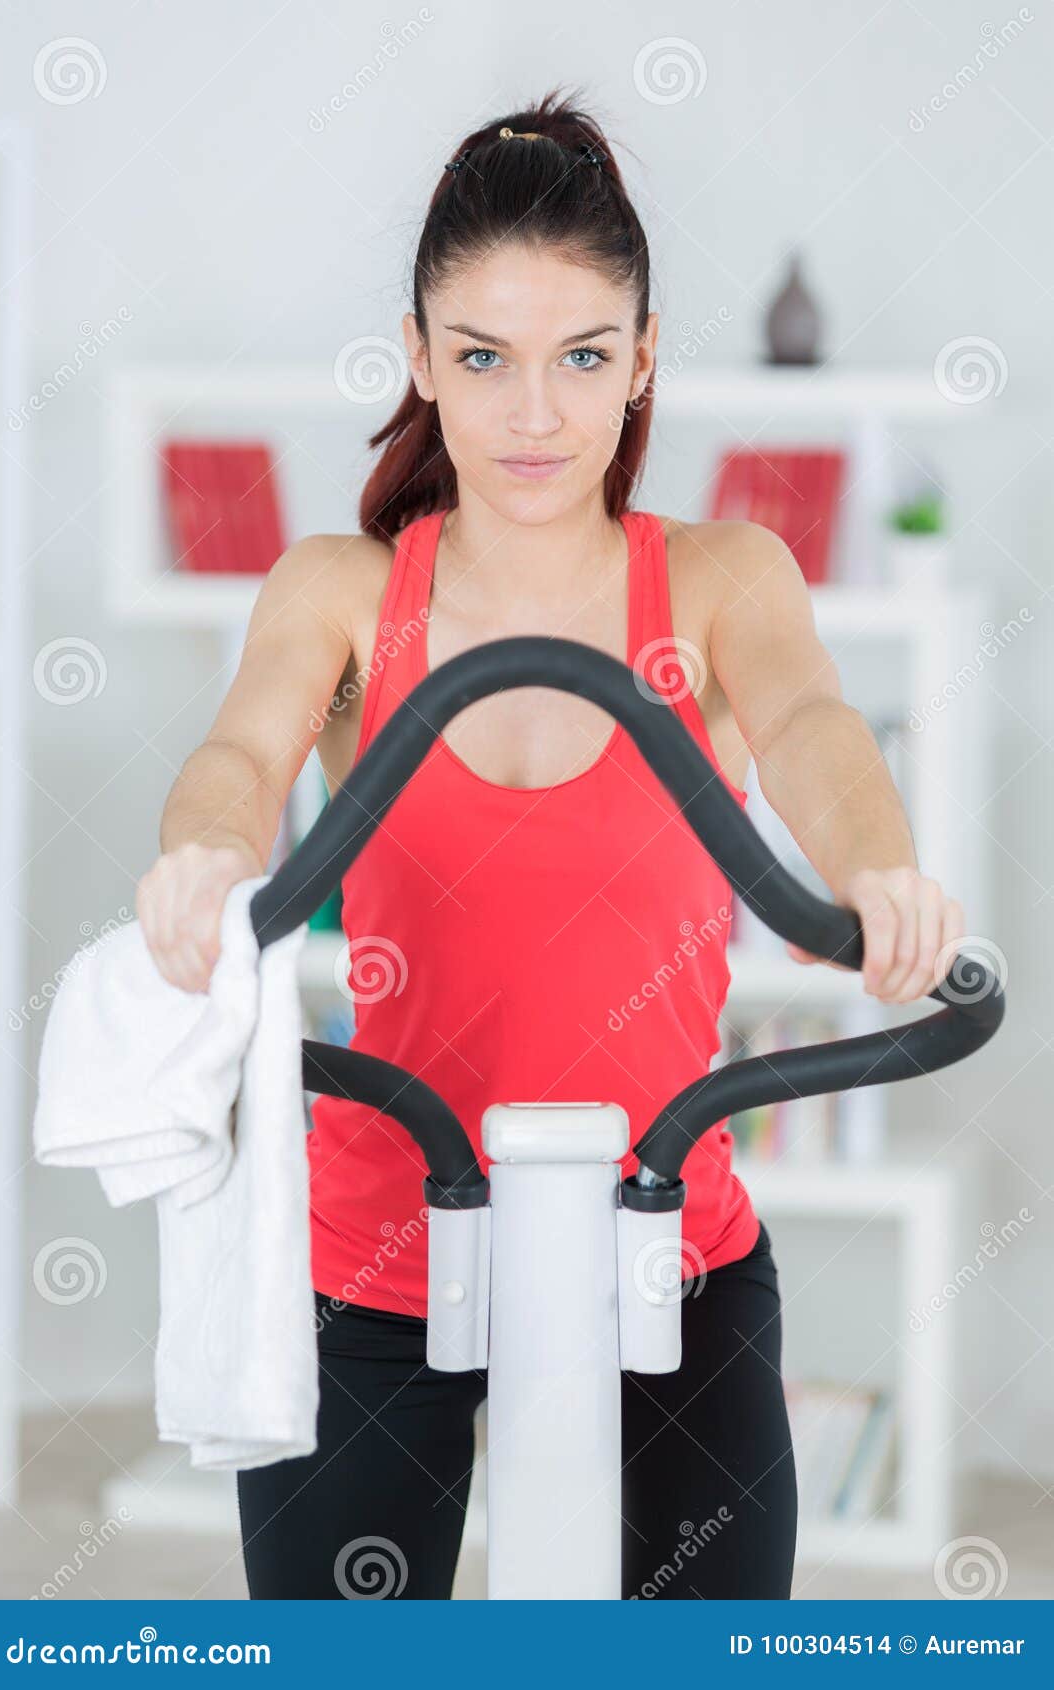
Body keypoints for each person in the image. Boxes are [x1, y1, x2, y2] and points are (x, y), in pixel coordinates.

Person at [138, 90, 967, 1600]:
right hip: (382, 1251)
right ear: (418, 356)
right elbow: (241, 755)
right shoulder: (341, 591)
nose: (535, 415)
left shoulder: (720, 579)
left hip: (669, 1248)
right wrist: (204, 854)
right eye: (484, 359)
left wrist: (882, 867)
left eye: (584, 357)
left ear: (645, 358)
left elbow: (814, 731)